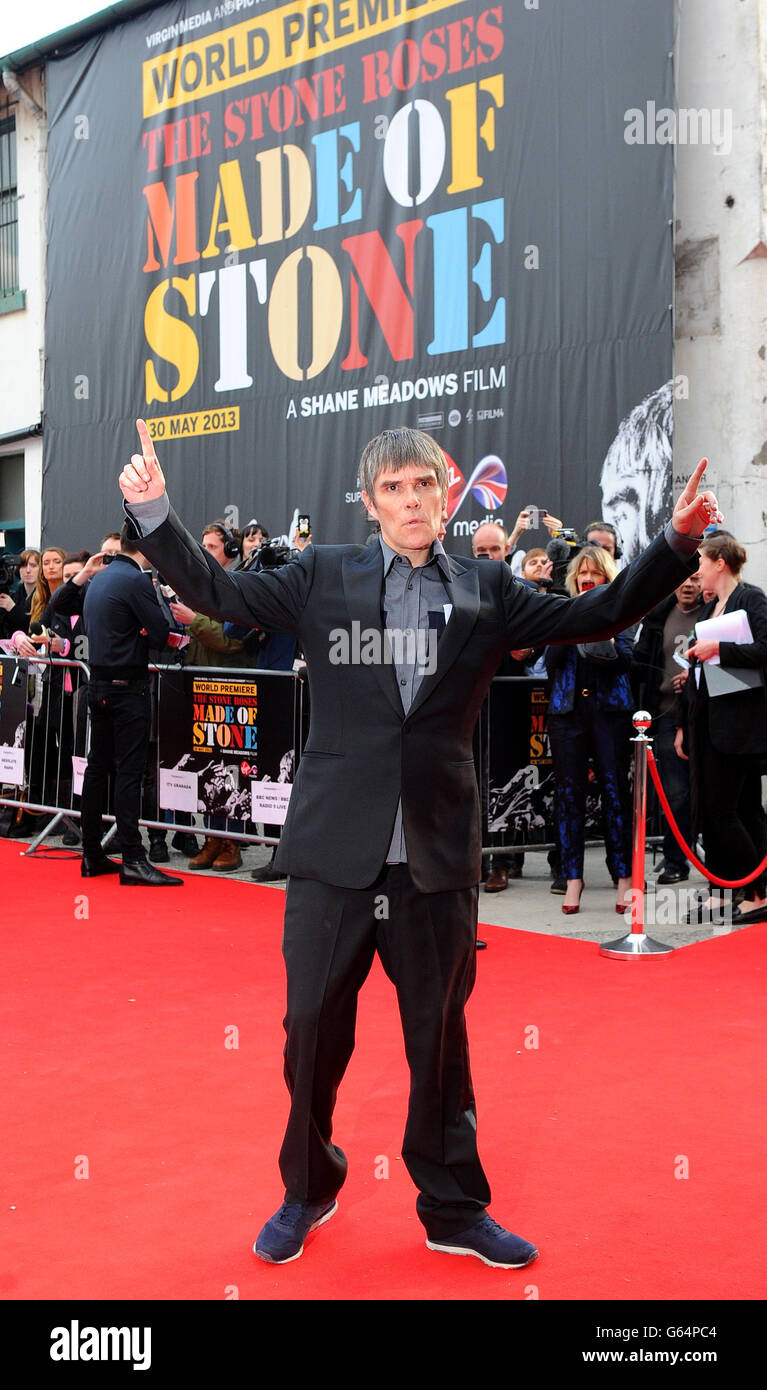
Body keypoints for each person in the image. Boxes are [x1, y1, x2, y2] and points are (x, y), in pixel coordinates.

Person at [120, 419, 716, 1269]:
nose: (411, 500)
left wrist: (672, 543)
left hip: (434, 853)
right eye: (393, 488)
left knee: (437, 1037)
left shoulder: (487, 587)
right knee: (310, 1030)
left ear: (446, 495)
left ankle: (452, 1205)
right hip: (333, 849)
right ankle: (307, 1187)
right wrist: (154, 513)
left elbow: (598, 612)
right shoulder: (322, 573)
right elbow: (219, 592)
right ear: (369, 503)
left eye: (424, 485)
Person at [79, 522, 183, 886]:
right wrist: (149, 626)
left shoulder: (101, 579)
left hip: (99, 685)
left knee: (97, 768)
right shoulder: (136, 580)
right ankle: (133, 859)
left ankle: (91, 853)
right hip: (128, 689)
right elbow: (161, 634)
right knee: (128, 773)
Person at [677, 531, 767, 920]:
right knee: (732, 810)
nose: (697, 573)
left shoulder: (751, 598)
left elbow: (764, 648)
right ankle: (723, 889)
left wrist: (719, 650)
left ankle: (755, 893)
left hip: (740, 726)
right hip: (708, 721)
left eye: (701, 562)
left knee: (725, 812)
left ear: (720, 562)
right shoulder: (708, 609)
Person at [544, 545, 636, 916]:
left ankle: (625, 876)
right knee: (569, 797)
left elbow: (627, 661)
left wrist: (604, 635)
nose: (587, 577)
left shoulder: (621, 613)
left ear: (605, 578)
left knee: (617, 793)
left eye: (594, 572)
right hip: (567, 713)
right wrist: (567, 628)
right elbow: (549, 662)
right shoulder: (564, 610)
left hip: (609, 713)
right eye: (582, 572)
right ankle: (572, 879)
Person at [631, 572, 704, 883]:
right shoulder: (658, 616)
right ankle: (677, 861)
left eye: (696, 579)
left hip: (704, 718)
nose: (688, 585)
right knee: (674, 794)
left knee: (710, 792)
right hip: (665, 716)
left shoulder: (713, 615)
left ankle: (719, 862)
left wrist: (694, 679)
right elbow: (640, 663)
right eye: (683, 579)